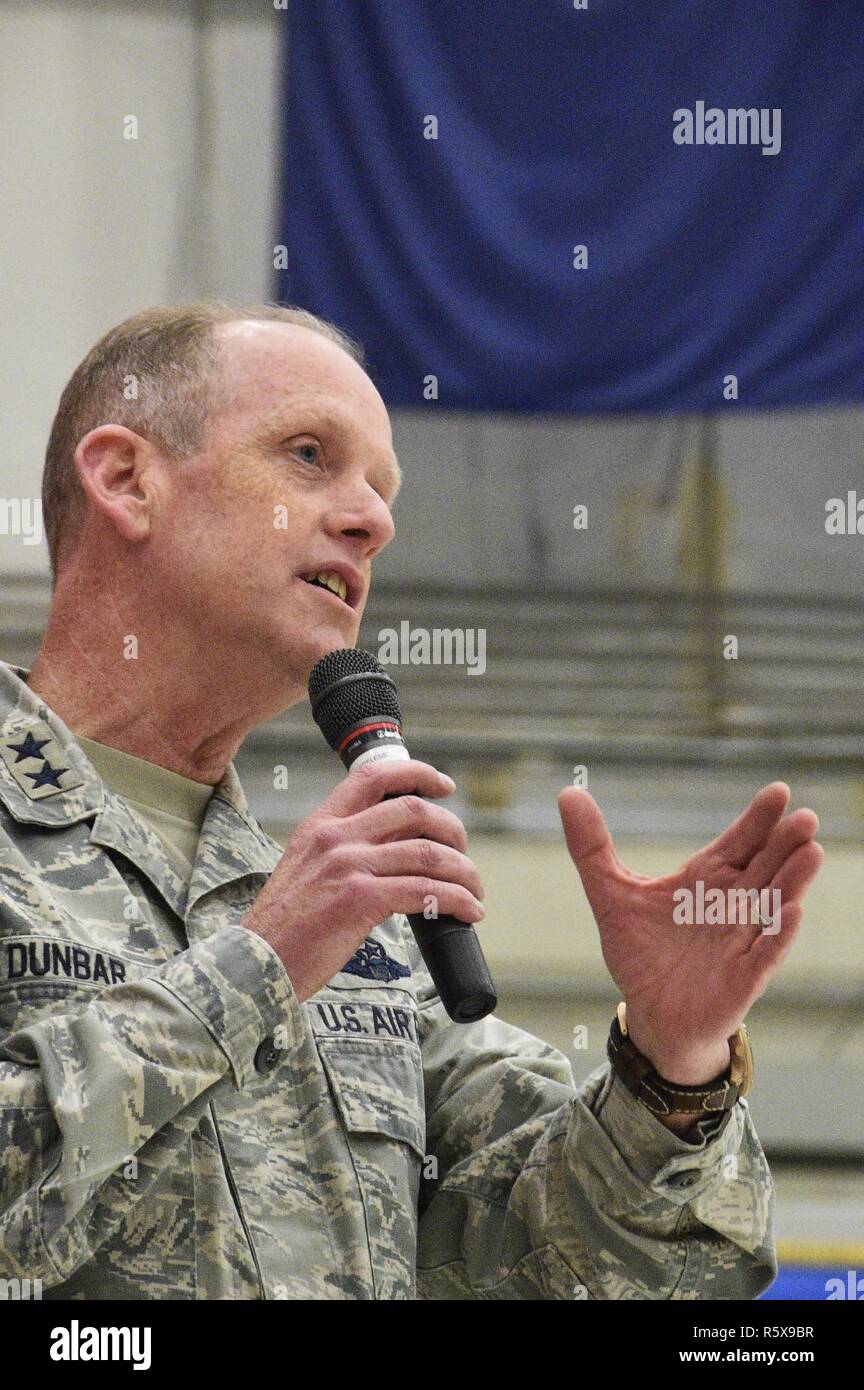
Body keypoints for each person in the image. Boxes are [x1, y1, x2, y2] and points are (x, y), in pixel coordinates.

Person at [0, 303, 823, 1299]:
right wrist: (258, 964)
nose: (375, 521)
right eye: (309, 455)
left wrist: (672, 1059)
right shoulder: (306, 913)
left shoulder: (348, 913)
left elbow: (604, 1268)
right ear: (128, 479)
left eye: (384, 492)